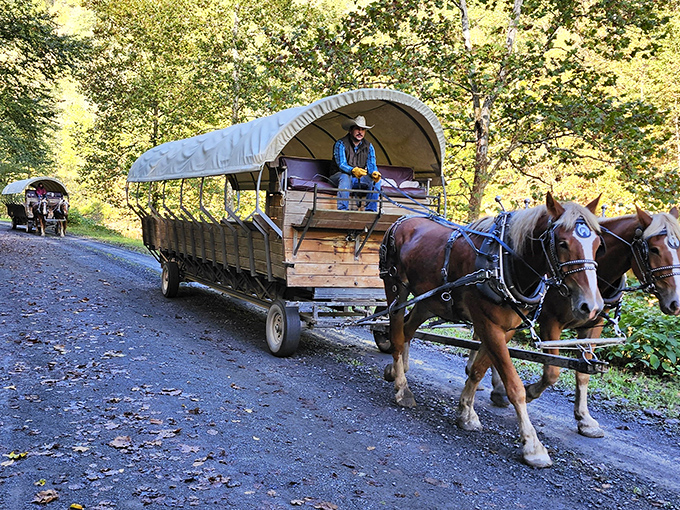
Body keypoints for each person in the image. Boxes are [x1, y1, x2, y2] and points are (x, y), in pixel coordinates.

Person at [329, 115, 382, 212]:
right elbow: (341, 164)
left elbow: (371, 164)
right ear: (350, 130)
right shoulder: (340, 143)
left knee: (376, 181)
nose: (360, 132)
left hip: (357, 179)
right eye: (357, 129)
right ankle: (342, 210)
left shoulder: (369, 146)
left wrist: (374, 172)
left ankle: (371, 211)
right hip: (338, 176)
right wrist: (353, 170)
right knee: (345, 176)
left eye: (363, 130)